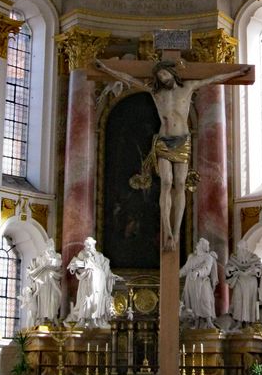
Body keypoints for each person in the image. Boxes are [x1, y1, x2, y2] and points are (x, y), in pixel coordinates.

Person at [96, 58, 251, 250]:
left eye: (164, 74)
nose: (162, 78)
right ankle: (167, 230)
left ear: (172, 73)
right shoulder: (155, 92)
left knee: (179, 184)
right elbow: (128, 78)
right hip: (163, 141)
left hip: (182, 141)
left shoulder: (188, 87)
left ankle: (176, 232)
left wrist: (236, 72)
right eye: (159, 76)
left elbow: (213, 78)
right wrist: (106, 68)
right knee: (166, 183)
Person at [67, 236, 116, 326]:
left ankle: (95, 319)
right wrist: (76, 267)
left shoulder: (99, 256)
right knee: (86, 300)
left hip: (98, 283)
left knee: (96, 300)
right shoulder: (82, 254)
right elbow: (78, 269)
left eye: (90, 245)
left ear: (94, 245)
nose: (88, 247)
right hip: (86, 282)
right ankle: (83, 319)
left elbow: (105, 269)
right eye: (87, 245)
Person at [180, 237, 218, 327]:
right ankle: (196, 322)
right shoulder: (191, 257)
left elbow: (207, 269)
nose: (196, 245)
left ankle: (208, 321)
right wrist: (176, 274)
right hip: (191, 282)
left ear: (203, 246)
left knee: (205, 299)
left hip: (202, 281)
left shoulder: (208, 257)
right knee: (194, 302)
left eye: (199, 243)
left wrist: (197, 272)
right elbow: (185, 269)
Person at [226, 240, 262, 326]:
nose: (239, 250)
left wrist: (256, 270)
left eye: (241, 248)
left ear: (246, 248)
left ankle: (249, 322)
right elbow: (228, 269)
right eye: (238, 248)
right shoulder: (234, 257)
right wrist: (229, 270)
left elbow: (259, 268)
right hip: (239, 281)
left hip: (251, 283)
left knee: (249, 302)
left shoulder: (253, 257)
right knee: (238, 299)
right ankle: (238, 321)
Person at [24, 237, 62, 324]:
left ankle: (52, 317)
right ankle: (42, 319)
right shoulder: (39, 258)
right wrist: (43, 265)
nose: (49, 246)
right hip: (42, 281)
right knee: (43, 299)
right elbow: (34, 270)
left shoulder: (57, 256)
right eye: (48, 245)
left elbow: (59, 264)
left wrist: (51, 262)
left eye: (51, 245)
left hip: (52, 280)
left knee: (54, 298)